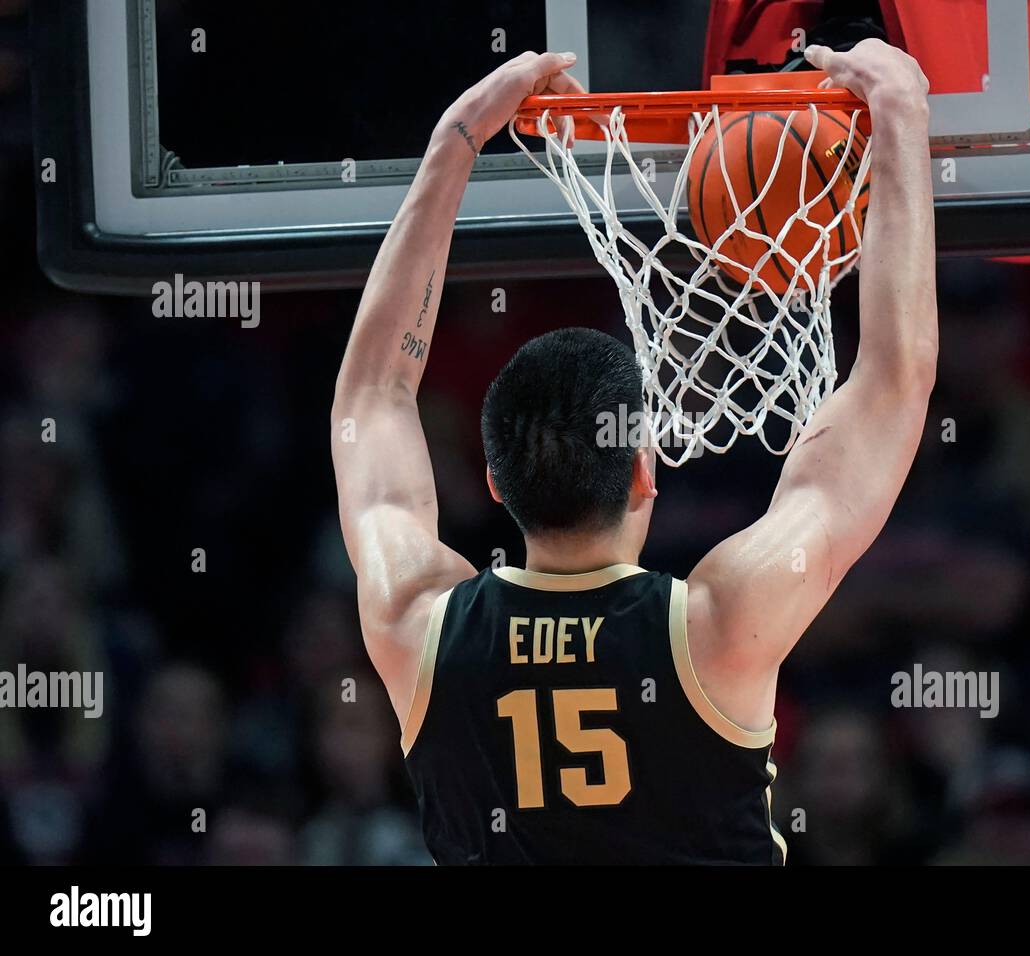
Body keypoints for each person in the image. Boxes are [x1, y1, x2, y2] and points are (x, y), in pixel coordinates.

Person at [330, 39, 936, 864]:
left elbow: (373, 397)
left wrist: (457, 140)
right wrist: (898, 110)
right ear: (643, 471)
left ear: (495, 486)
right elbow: (893, 386)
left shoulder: (416, 622)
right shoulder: (719, 622)